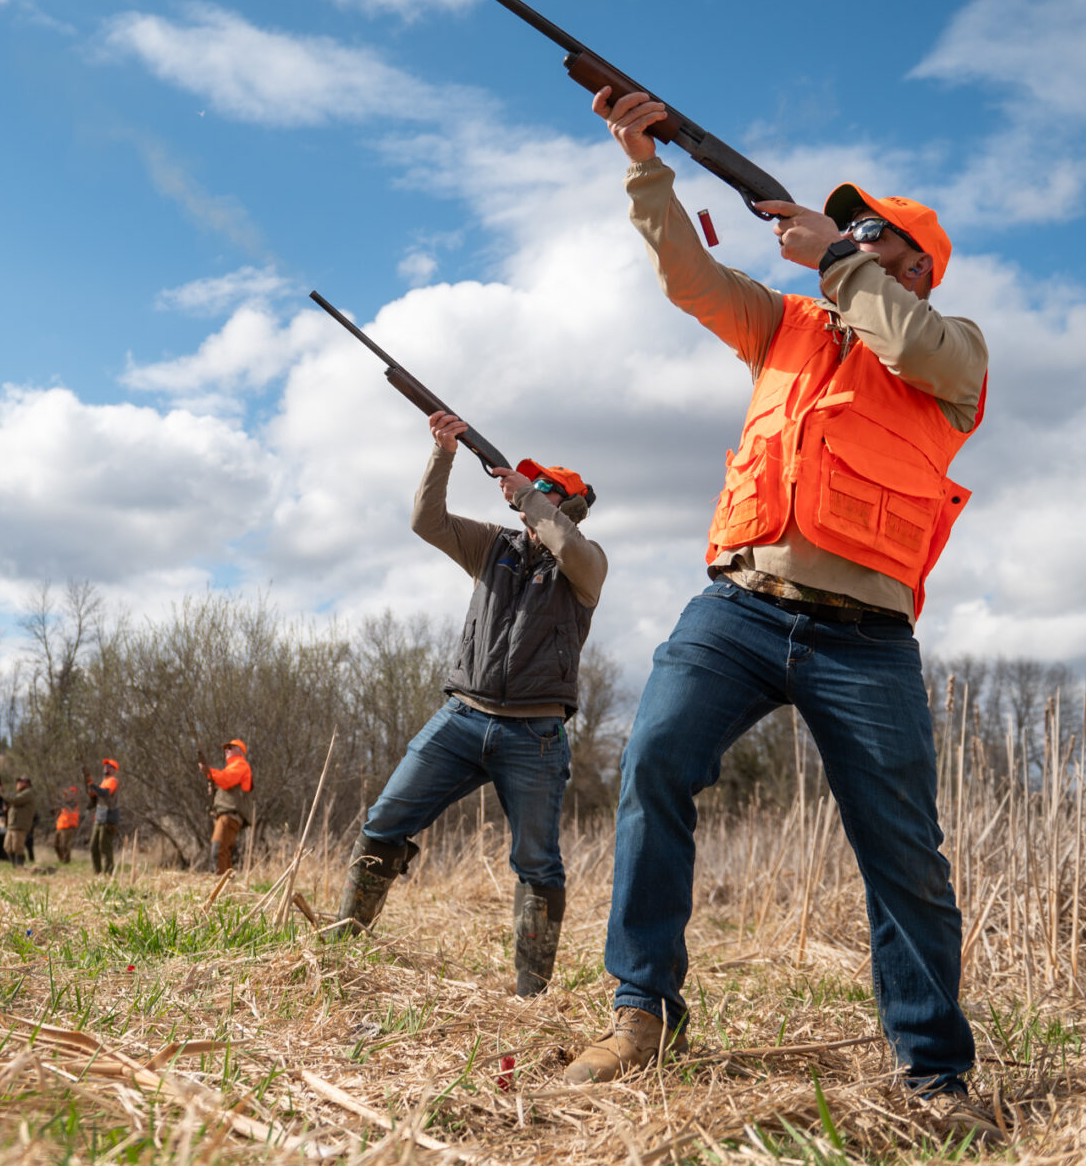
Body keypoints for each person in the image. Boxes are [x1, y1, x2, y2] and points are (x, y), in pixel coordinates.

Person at [567, 87, 996, 1137]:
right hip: (740, 606)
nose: (844, 239)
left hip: (865, 640)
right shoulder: (789, 326)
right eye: (842, 229)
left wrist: (835, 259)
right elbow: (689, 278)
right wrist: (644, 167)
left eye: (868, 234)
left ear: (912, 266)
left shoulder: (954, 357)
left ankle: (933, 1077)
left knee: (901, 848)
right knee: (653, 759)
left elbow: (915, 347)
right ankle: (642, 1014)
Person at [326, 412, 605, 999]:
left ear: (568, 507)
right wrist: (445, 454)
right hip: (461, 719)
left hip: (534, 736)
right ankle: (341, 952)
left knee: (537, 864)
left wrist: (529, 499)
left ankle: (531, 996)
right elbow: (425, 522)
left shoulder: (585, 564)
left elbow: (567, 545)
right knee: (382, 825)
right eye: (531, 490)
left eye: (546, 491)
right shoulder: (493, 547)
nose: (528, 497)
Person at [197, 739, 253, 874]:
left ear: (239, 752)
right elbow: (226, 783)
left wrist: (208, 771)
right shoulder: (232, 768)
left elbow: (226, 779)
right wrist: (215, 788)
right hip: (228, 816)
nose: (226, 750)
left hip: (230, 816)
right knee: (224, 852)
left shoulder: (241, 765)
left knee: (218, 849)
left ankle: (218, 884)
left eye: (230, 747)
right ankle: (228, 886)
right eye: (226, 748)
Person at [87, 758, 121, 875]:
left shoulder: (113, 780)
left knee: (104, 846)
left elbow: (105, 793)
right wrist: (91, 788)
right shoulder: (103, 781)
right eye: (105, 765)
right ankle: (97, 872)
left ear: (114, 770)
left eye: (109, 765)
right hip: (99, 818)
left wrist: (93, 785)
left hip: (109, 818)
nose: (106, 766)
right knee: (93, 846)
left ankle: (108, 873)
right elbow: (96, 797)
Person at [53, 786, 82, 864]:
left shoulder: (74, 802)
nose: (70, 794)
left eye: (72, 792)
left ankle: (66, 861)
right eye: (69, 792)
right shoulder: (65, 803)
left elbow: (68, 804)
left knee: (64, 845)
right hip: (60, 826)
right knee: (55, 844)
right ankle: (62, 860)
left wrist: (63, 798)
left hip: (69, 827)